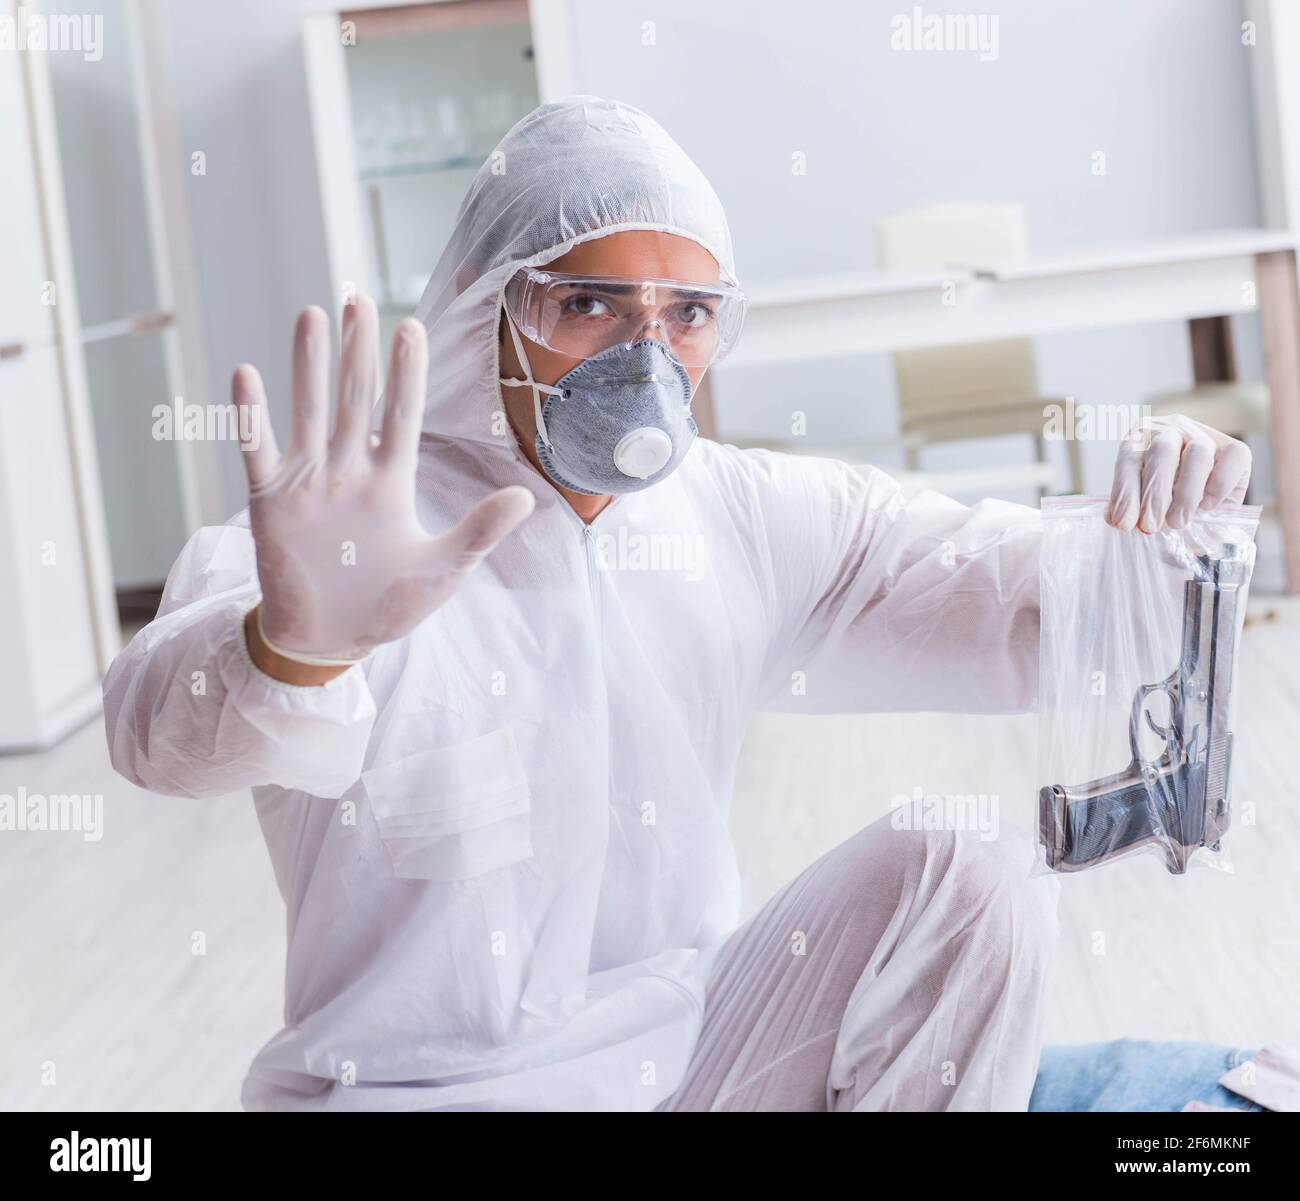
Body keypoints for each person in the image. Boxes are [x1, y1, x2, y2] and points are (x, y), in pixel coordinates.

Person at [103, 96, 1252, 1112]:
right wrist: (288, 649)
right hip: (416, 1095)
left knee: (971, 870)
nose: (646, 354)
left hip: (692, 1063)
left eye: (687, 312)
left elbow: (1010, 592)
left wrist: (1167, 528)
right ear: (487, 312)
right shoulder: (359, 538)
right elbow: (159, 733)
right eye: (592, 305)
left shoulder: (731, 515)